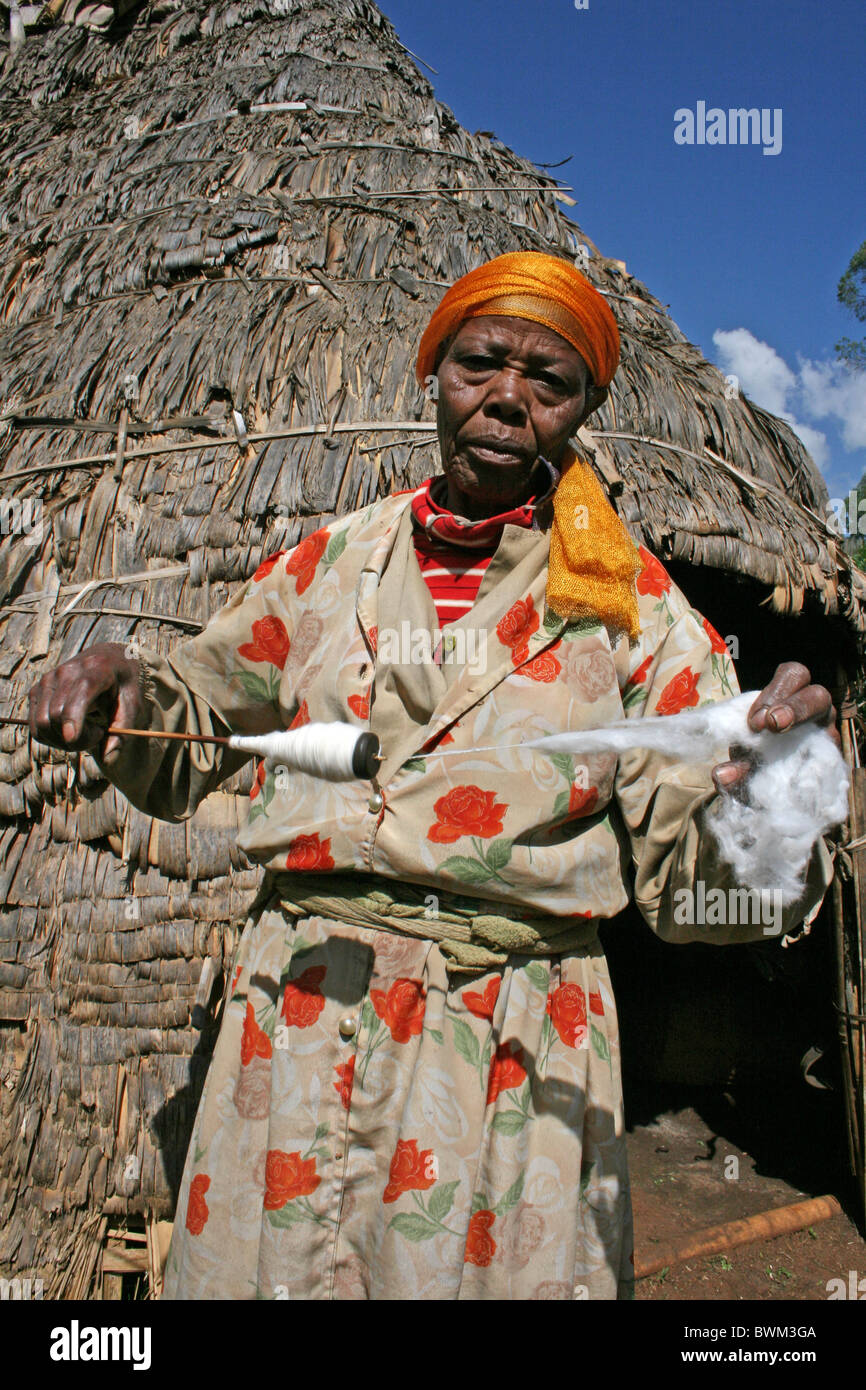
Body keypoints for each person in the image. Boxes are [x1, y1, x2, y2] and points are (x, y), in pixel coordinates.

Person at [28, 251, 838, 1300]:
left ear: (582, 408)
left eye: (548, 382)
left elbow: (694, 887)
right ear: (435, 373)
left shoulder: (634, 614)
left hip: (507, 1034)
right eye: (480, 365)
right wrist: (126, 693)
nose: (507, 398)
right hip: (301, 1014)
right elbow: (191, 721)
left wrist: (772, 797)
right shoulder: (329, 565)